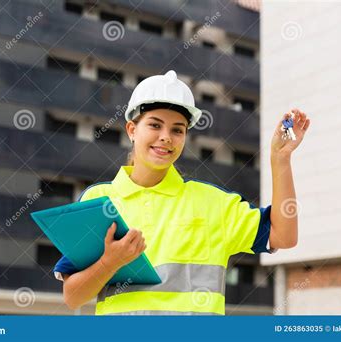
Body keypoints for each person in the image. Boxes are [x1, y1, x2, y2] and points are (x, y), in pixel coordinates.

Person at [53, 70, 311, 315]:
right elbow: (72, 296)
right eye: (155, 125)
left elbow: (283, 236)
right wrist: (109, 262)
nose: (166, 137)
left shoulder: (213, 203)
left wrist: (280, 159)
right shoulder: (98, 200)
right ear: (132, 130)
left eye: (177, 130)